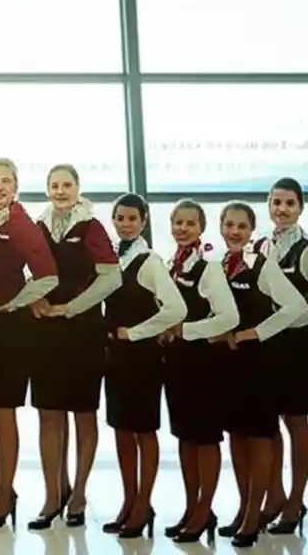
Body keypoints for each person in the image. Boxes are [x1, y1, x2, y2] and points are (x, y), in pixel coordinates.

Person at [29, 164, 120, 529]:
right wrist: (31, 300)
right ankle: (54, 493)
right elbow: (26, 269)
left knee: (83, 413)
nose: (60, 191)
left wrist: (71, 308)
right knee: (49, 414)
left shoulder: (90, 226)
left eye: (67, 185)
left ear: (78, 188)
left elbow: (111, 277)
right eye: (54, 185)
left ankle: (79, 492)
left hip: (82, 331)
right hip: (45, 333)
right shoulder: (39, 225)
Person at [217, 202, 308, 548]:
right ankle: (243, 507)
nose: (235, 231)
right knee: (236, 437)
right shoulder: (218, 266)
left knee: (258, 436)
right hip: (227, 364)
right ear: (221, 227)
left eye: (242, 226)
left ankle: (256, 513)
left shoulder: (263, 266)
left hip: (259, 363)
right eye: (229, 225)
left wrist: (256, 332)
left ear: (252, 230)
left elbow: (296, 306)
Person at [0, 158, 58, 530]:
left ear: (16, 187)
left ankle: (5, 491)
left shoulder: (21, 223)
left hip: (12, 331)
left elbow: (48, 277)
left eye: (5, 181)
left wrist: (15, 302)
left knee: (5, 412)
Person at [257, 177, 308, 535]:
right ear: (269, 205)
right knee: (267, 424)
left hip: (295, 349)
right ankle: (273, 496)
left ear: (300, 207)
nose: (282, 209)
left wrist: (290, 320)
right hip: (265, 348)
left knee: (295, 421)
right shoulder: (260, 247)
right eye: (276, 202)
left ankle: (296, 500)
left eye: (290, 203)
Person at [101, 193, 186, 540]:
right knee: (121, 430)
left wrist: (135, 333)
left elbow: (176, 308)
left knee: (143, 431)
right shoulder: (110, 259)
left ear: (144, 222)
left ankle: (144, 503)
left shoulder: (150, 261)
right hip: (116, 357)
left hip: (142, 359)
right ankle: (129, 500)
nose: (125, 224)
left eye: (132, 218)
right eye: (120, 218)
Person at [158, 199, 237, 545]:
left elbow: (228, 317)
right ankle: (192, 508)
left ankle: (205, 509)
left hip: (204, 364)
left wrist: (185, 330)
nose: (182, 229)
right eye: (178, 223)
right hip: (176, 364)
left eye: (190, 223)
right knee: (185, 438)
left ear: (201, 228)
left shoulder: (209, 267)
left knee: (205, 439)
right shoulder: (168, 265)